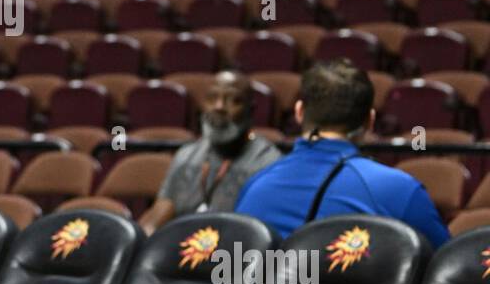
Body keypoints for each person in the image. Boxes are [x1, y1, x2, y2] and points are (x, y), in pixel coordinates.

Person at [234, 59, 449, 246]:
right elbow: (446, 268)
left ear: (299, 113)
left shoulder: (255, 185)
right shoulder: (402, 191)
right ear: (370, 121)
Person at [140, 71, 281, 235]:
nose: (219, 107)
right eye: (212, 98)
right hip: (184, 249)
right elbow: (159, 214)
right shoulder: (186, 156)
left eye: (232, 100)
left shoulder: (268, 163)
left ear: (251, 110)